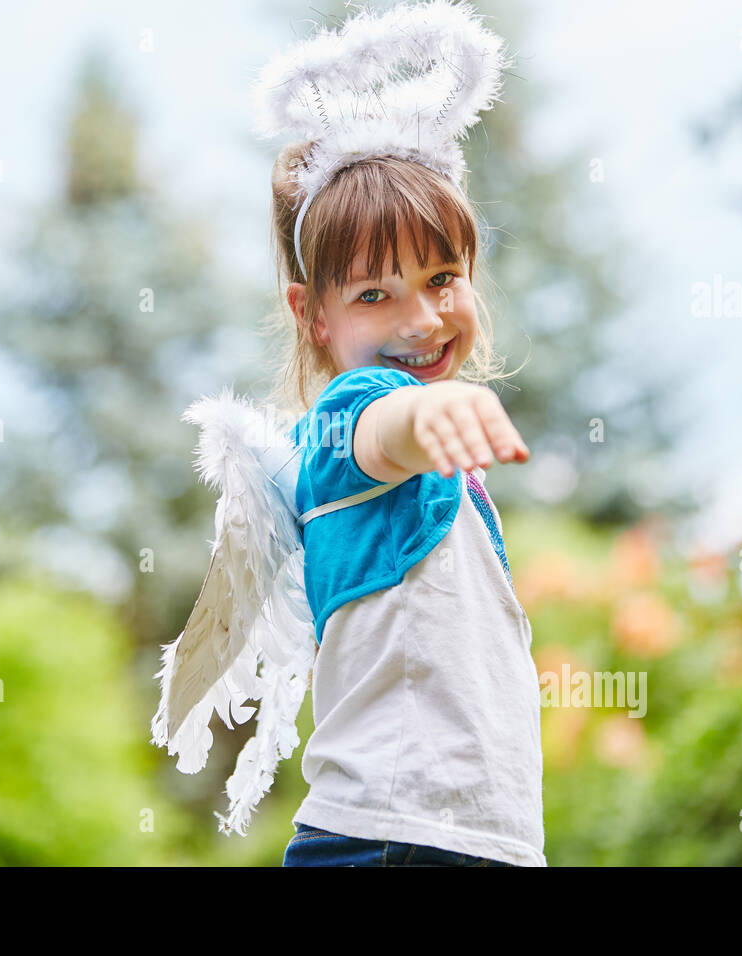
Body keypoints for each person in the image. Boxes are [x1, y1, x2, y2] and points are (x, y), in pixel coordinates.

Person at [266, 118, 546, 866]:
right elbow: (383, 424)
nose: (420, 318)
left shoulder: (453, 479)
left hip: (468, 842)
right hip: (391, 838)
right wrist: (430, 409)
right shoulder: (341, 428)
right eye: (373, 294)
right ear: (313, 315)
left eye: (441, 279)